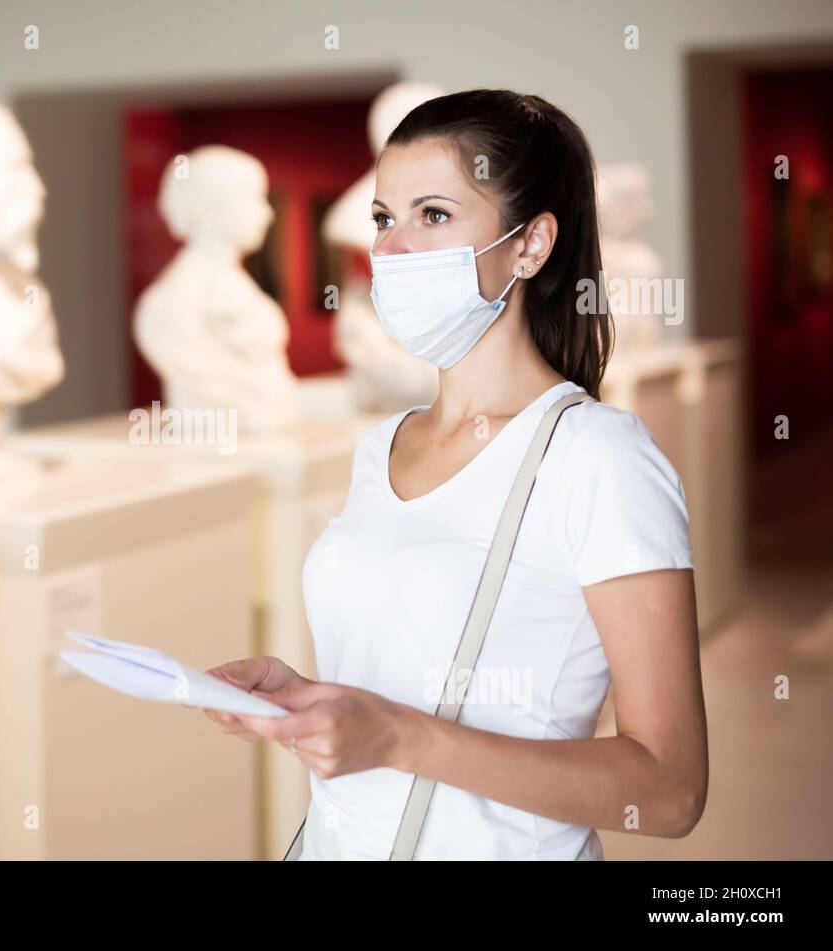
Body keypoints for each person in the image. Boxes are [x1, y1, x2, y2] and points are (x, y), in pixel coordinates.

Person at [200, 89, 707, 860]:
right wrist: (310, 699)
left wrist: (400, 738)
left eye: (433, 215)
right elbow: (396, 676)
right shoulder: (383, 448)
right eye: (382, 218)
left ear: (531, 245)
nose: (392, 250)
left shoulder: (600, 458)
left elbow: (670, 790)